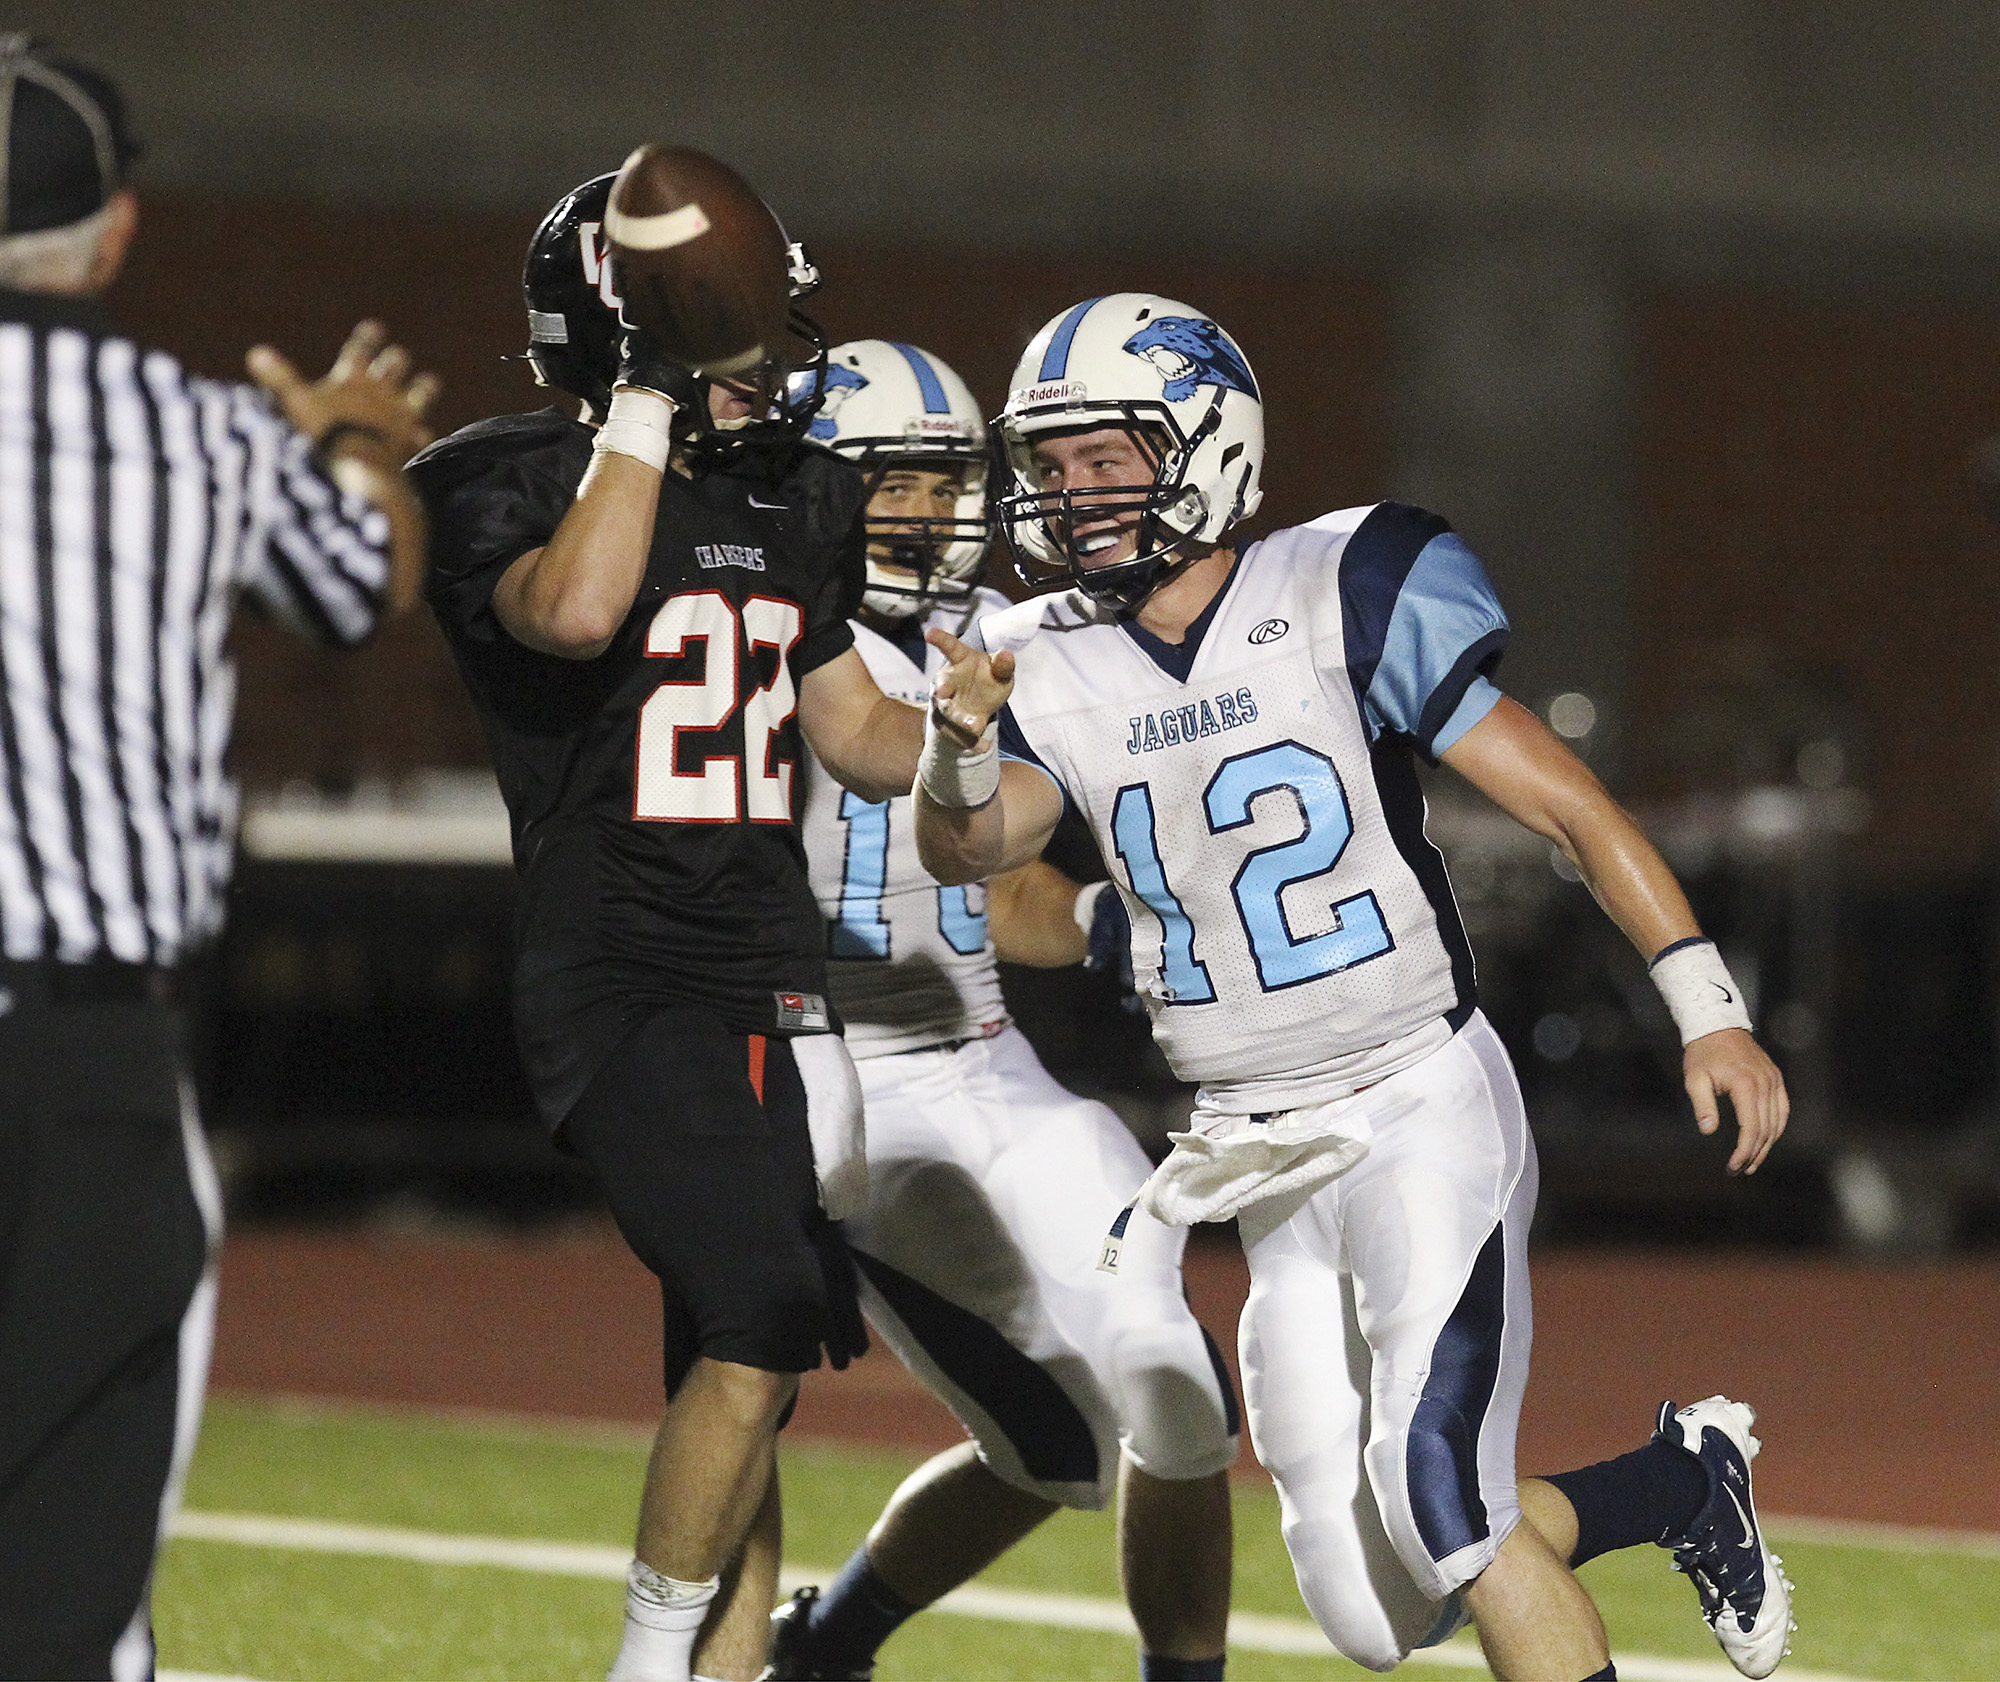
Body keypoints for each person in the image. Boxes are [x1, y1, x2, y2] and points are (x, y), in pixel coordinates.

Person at [911, 293, 1797, 1682]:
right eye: (1057, 462)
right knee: (1378, 1611)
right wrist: (958, 754)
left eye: (1108, 456)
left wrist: (1708, 1006)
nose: (1074, 494)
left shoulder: (1342, 583)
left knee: (1443, 1499)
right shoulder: (1040, 653)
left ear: (1206, 440)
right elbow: (973, 850)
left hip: (1412, 1101)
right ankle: (1677, 1483)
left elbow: (1569, 806)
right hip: (1254, 1152)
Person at [410, 177, 983, 1682]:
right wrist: (649, 405)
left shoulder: (795, 492)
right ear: (633, 332)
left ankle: (721, 1666)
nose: (768, 362)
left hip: (766, 963)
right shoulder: (502, 476)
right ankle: (650, 1668)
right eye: (722, 330)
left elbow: (849, 724)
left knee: (743, 1364)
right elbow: (585, 612)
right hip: (617, 965)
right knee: (765, 1304)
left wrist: (966, 735)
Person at [0, 36, 436, 1682]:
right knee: (65, 1558)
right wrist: (349, 440)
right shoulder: (188, 437)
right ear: (112, 234)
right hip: (85, 1051)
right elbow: (356, 588)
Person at [775, 339, 1238, 1682]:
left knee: (1167, 1371)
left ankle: (836, 1645)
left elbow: (1004, 883)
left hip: (987, 1059)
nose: (926, 512)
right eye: (891, 483)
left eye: (941, 479)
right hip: (836, 1085)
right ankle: (820, 1642)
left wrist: (1107, 923)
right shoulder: (762, 634)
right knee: (1051, 1446)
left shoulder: (1012, 633)